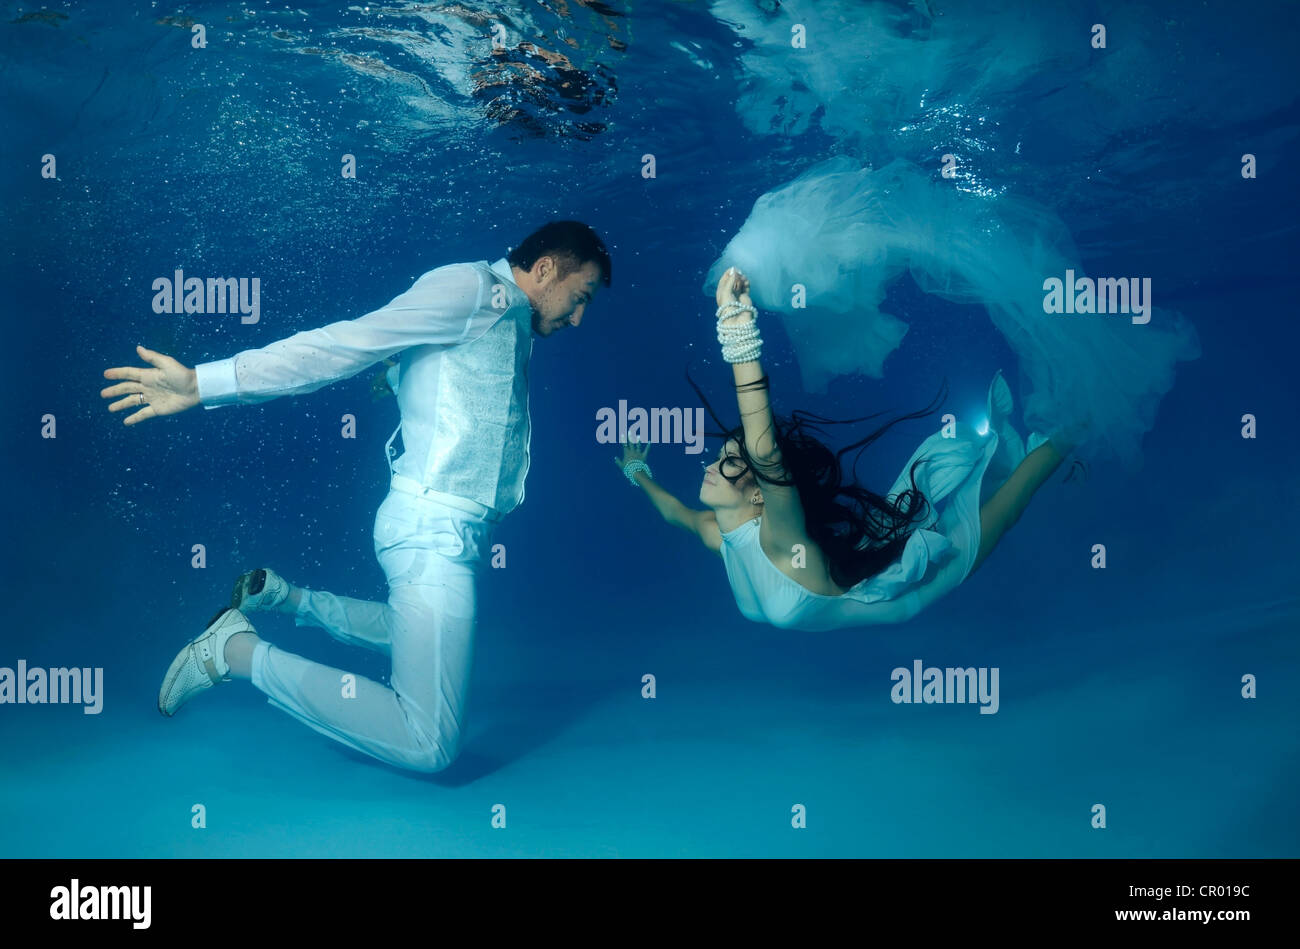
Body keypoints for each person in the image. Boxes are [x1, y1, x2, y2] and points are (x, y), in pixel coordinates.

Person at [101, 221, 610, 773]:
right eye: (580, 297)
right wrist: (206, 383)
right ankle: (234, 653)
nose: (579, 317)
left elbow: (456, 386)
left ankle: (285, 599)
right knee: (429, 743)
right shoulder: (470, 289)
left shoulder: (506, 313)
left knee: (410, 635)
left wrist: (397, 377)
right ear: (546, 269)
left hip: (451, 531)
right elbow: (345, 344)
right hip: (429, 529)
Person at [614, 267, 1071, 632]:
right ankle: (1024, 439)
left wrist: (737, 328)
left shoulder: (781, 540)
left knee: (1009, 507)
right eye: (722, 457)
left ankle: (1083, 427)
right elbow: (674, 511)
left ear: (761, 495)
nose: (710, 463)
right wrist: (637, 472)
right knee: (976, 504)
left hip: (913, 590)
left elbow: (766, 452)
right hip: (888, 583)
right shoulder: (720, 535)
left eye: (730, 460)